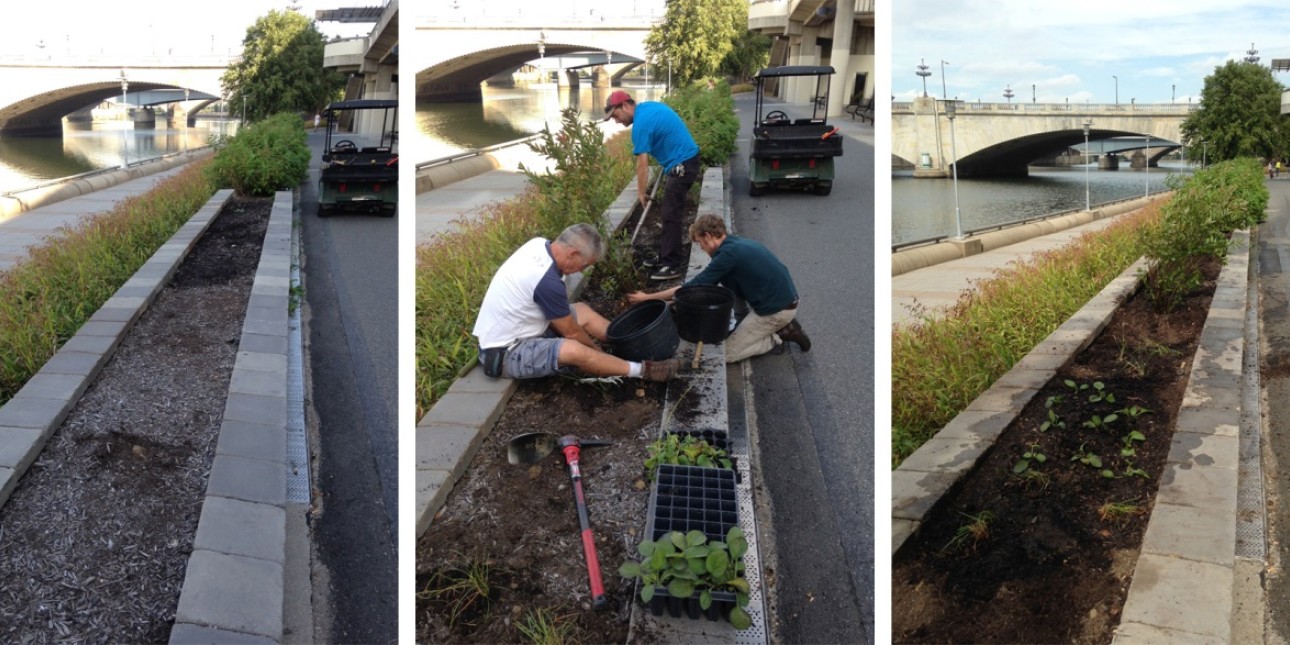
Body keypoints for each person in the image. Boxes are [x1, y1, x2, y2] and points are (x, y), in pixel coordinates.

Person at [473, 223, 679, 381]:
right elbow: (570, 332)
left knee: (582, 311)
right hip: (507, 353)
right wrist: (595, 352)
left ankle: (627, 346)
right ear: (572, 253)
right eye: (584, 264)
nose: (581, 270)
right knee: (575, 349)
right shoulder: (546, 280)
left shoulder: (539, 245)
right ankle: (642, 371)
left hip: (524, 328)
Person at [627, 214, 811, 363]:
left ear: (708, 236)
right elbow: (706, 290)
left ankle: (779, 335)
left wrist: (647, 298)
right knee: (729, 283)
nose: (703, 248)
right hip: (781, 298)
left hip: (777, 311)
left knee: (727, 354)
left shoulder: (727, 255)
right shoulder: (734, 244)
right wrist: (671, 303)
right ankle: (752, 326)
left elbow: (692, 288)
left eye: (700, 243)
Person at [603, 89, 700, 281]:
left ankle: (672, 264)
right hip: (684, 160)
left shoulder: (641, 124)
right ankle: (666, 255)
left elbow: (642, 163)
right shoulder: (648, 108)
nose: (617, 121)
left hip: (682, 164)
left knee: (670, 216)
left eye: (616, 115)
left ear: (625, 105)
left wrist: (641, 192)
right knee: (668, 213)